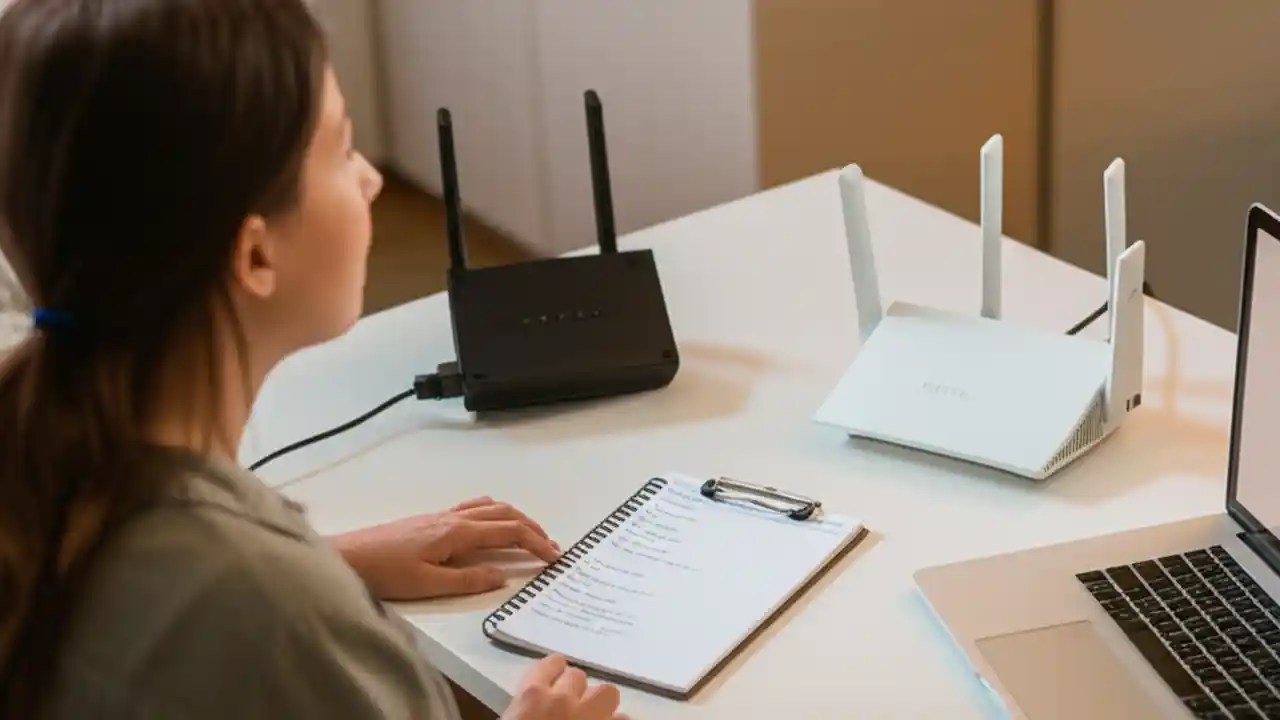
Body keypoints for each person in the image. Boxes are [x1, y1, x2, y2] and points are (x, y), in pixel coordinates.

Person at [0, 1, 626, 718]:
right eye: (342, 148)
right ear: (256, 253)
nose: (371, 181)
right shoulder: (271, 617)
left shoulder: (46, 474)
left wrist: (328, 559)